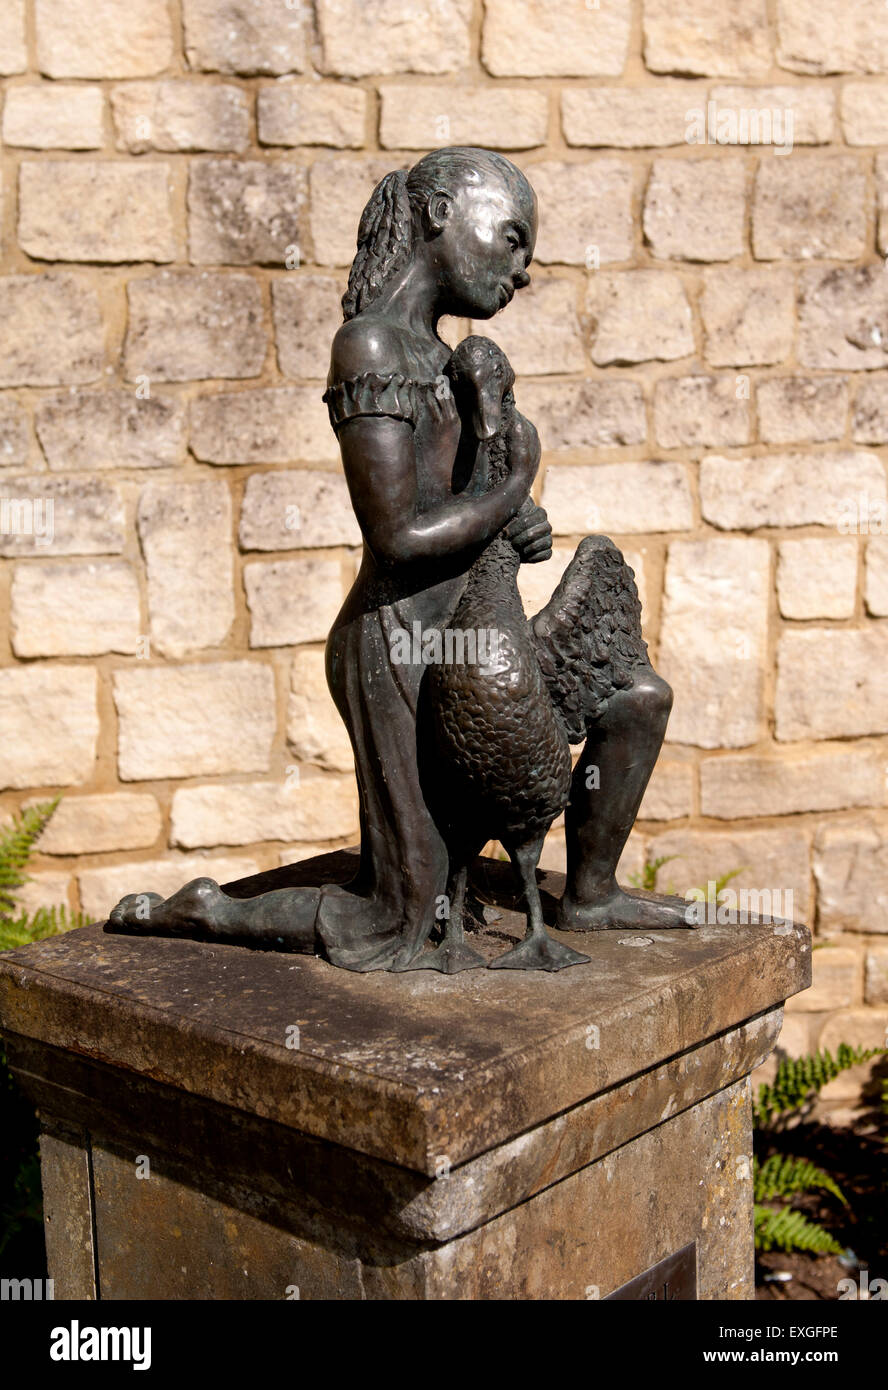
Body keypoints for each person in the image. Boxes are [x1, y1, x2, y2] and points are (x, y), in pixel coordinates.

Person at [109, 145, 688, 968]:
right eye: (513, 237)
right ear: (440, 213)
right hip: (399, 646)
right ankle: (206, 911)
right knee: (402, 916)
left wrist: (518, 527)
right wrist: (512, 486)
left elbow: (466, 510)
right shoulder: (371, 349)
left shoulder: (451, 362)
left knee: (636, 697)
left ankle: (590, 896)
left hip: (478, 635)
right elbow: (397, 537)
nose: (523, 270)